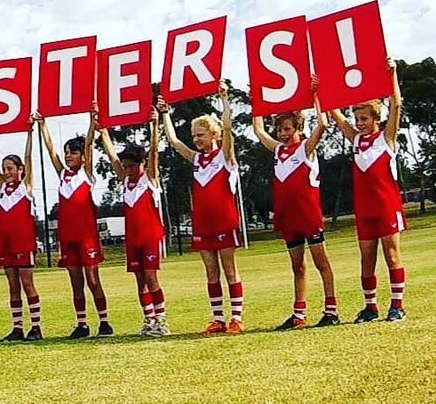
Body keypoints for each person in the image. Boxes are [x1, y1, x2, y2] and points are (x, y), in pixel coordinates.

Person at [160, 82, 245, 335]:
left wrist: (224, 100)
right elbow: (174, 142)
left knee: (229, 270)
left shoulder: (225, 157)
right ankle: (217, 319)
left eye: (200, 135)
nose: (196, 140)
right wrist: (165, 113)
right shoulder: (197, 160)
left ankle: (236, 318)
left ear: (214, 135)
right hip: (203, 224)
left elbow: (228, 128)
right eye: (194, 136)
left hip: (224, 221)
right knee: (210, 272)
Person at [252, 91, 339, 329]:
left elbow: (322, 123)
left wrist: (315, 96)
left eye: (287, 129)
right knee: (297, 266)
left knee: (322, 263)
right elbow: (258, 131)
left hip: (308, 216)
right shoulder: (279, 151)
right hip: (288, 218)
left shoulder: (305, 149)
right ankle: (298, 314)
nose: (283, 134)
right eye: (280, 130)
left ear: (297, 128)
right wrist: (256, 101)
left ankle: (331, 310)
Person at [331, 58, 408, 322]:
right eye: (357, 118)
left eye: (364, 118)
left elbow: (396, 104)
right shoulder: (355, 140)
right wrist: (321, 89)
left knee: (391, 254)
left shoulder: (387, 138)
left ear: (376, 118)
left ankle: (397, 305)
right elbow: (335, 113)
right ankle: (370, 306)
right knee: (366, 258)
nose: (359, 123)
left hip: (386, 205)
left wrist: (392, 75)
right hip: (364, 210)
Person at [39, 105, 112, 338]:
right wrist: (43, 125)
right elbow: (51, 152)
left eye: (73, 152)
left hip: (87, 238)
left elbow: (89, 147)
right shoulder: (62, 175)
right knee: (76, 282)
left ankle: (104, 321)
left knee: (92, 280)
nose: (69, 155)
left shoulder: (86, 174)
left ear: (82, 156)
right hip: (68, 239)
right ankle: (81, 324)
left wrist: (92, 123)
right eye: (67, 152)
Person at [100, 104, 168, 337]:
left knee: (151, 276)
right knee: (139, 280)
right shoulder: (125, 181)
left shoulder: (149, 179)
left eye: (132, 166)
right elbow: (111, 157)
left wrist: (154, 124)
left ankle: (161, 319)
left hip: (150, 236)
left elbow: (155, 154)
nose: (128, 170)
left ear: (141, 164)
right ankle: (148, 320)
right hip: (133, 239)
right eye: (126, 166)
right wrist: (103, 131)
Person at [0, 121, 42, 341]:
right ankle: (17, 328)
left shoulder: (26, 186)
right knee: (13, 286)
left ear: (19, 170)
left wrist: (29, 133)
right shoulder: (2, 187)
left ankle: (36, 327)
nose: (6, 173)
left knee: (27, 284)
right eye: (5, 169)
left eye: (10, 169)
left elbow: (28, 158)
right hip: (5, 243)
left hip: (23, 243)